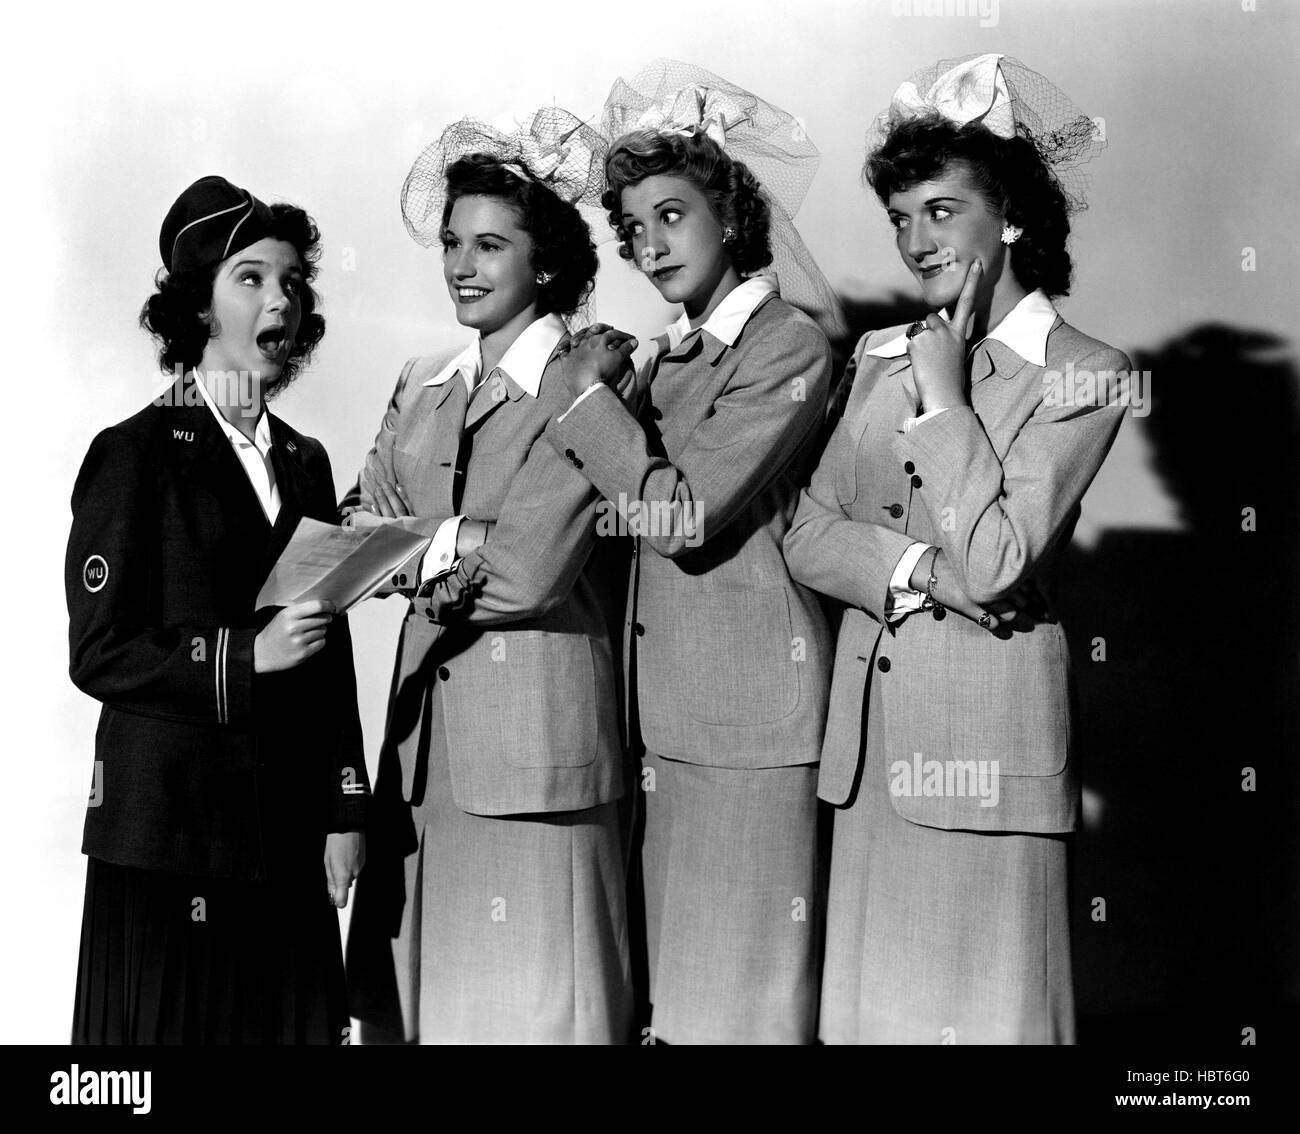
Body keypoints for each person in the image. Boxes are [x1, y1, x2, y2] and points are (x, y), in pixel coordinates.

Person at [783, 54, 1130, 1044]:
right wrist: (915, 569)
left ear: (1011, 215)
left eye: (939, 210)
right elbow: (807, 536)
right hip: (869, 761)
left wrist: (943, 399)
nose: (914, 239)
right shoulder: (878, 356)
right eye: (900, 217)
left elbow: (997, 563)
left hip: (985, 763)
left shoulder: (1087, 372)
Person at [545, 61, 837, 1043]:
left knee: (738, 1013)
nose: (647, 244)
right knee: (673, 1009)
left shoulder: (785, 344)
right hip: (662, 724)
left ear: (730, 212)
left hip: (749, 730)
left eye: (671, 215)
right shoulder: (664, 352)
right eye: (632, 228)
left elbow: (680, 517)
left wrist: (584, 402)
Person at [342, 110, 632, 1044]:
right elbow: (352, 528)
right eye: (453, 243)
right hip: (422, 760)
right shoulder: (420, 381)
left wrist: (416, 546)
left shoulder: (592, 380)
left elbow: (533, 571)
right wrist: (465, 537)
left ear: (544, 263)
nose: (462, 266)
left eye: (490, 246)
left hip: (539, 765)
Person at [66, 175, 368, 1044]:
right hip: (166, 844)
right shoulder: (132, 455)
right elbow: (100, 650)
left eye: (290, 281)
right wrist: (245, 658)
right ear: (198, 306)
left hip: (285, 839)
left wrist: (347, 808)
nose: (282, 298)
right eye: (251, 277)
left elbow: (331, 645)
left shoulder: (307, 462)